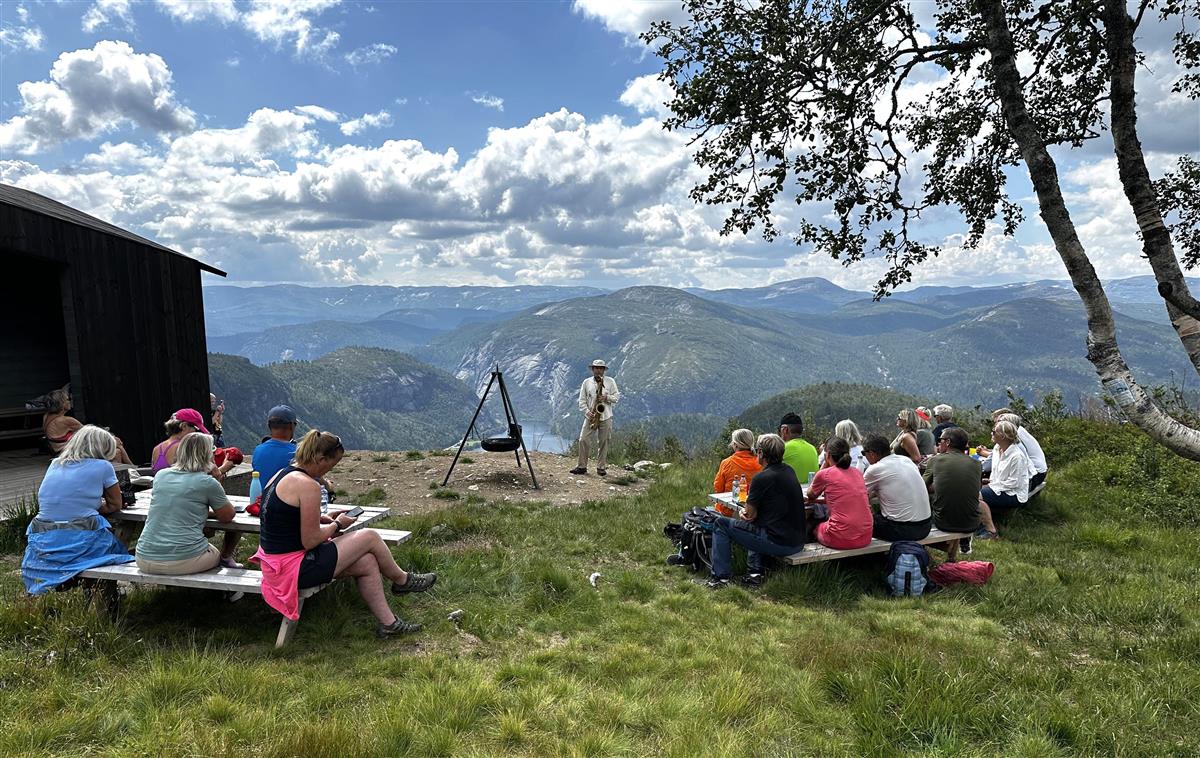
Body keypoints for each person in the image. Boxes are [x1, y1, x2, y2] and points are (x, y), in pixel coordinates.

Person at [253, 430, 436, 638]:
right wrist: (337, 525)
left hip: (275, 564)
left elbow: (283, 517)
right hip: (294, 568)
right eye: (332, 464)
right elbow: (310, 540)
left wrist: (323, 518)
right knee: (369, 537)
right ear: (321, 459)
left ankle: (389, 624)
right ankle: (403, 580)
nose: (330, 470)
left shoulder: (282, 474)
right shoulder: (308, 485)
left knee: (367, 562)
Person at [21, 426, 135, 595]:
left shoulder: (55, 464)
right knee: (114, 547)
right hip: (80, 539)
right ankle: (103, 593)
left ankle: (84, 588)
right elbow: (115, 505)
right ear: (104, 448)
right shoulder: (103, 466)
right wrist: (95, 505)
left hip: (43, 539)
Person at [135, 433, 243, 574]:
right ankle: (228, 588)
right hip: (180, 561)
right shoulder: (206, 482)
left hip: (144, 557)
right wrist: (217, 478)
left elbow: (178, 506)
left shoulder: (161, 475)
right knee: (218, 555)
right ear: (207, 455)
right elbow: (227, 516)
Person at [707, 434, 806, 588]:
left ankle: (721, 578)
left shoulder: (761, 478)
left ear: (761, 452)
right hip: (798, 541)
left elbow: (748, 515)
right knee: (758, 525)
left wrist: (741, 513)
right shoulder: (789, 471)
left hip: (777, 542)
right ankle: (754, 573)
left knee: (721, 524)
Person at [862, 434, 932, 541]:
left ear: (871, 453)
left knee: (861, 521)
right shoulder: (906, 460)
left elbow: (858, 495)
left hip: (903, 530)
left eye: (864, 453)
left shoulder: (875, 469)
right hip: (926, 526)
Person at [806, 436, 872, 550]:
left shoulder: (825, 474)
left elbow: (810, 494)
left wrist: (823, 466)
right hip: (866, 536)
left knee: (814, 526)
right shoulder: (857, 473)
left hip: (840, 537)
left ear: (828, 455)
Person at [923, 427, 982, 550]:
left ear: (948, 442)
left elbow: (921, 486)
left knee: (928, 498)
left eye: (940, 440)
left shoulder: (935, 460)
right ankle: (960, 546)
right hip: (972, 523)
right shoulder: (976, 464)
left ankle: (944, 549)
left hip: (943, 523)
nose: (938, 443)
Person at [41, 388, 133, 464]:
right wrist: (112, 439)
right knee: (116, 450)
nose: (70, 401)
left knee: (115, 444)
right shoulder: (66, 421)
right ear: (61, 404)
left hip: (59, 451)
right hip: (68, 453)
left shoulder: (46, 416)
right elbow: (90, 433)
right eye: (68, 399)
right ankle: (129, 469)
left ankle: (131, 467)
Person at [975, 420, 1032, 540]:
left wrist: (992, 486)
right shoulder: (997, 449)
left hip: (1013, 493)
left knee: (975, 495)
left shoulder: (1017, 456)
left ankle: (990, 530)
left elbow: (1014, 483)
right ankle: (978, 526)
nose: (991, 433)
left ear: (1003, 436)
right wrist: (990, 482)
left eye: (994, 432)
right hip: (998, 487)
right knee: (971, 490)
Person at [150, 409, 236, 480]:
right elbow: (201, 480)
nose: (197, 434)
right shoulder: (185, 447)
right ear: (183, 426)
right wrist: (224, 468)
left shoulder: (157, 449)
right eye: (196, 429)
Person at [570, 360, 620, 476]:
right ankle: (582, 466)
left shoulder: (610, 381)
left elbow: (616, 397)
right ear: (593, 369)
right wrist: (587, 412)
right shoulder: (586, 382)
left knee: (604, 442)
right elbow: (582, 401)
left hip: (606, 416)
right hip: (591, 416)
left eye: (601, 368)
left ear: (604, 370)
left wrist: (606, 398)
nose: (598, 370)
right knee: (583, 439)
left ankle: (601, 467)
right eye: (596, 368)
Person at [713, 428, 762, 494]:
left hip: (728, 502)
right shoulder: (761, 463)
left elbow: (718, 488)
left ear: (735, 445)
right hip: (755, 503)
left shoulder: (727, 463)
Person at [778, 412, 819, 485]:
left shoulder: (783, 448)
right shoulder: (812, 448)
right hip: (810, 492)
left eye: (779, 430)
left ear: (785, 430)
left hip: (791, 493)